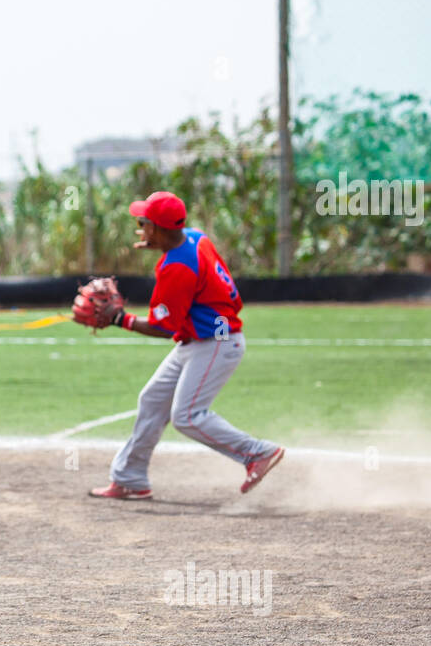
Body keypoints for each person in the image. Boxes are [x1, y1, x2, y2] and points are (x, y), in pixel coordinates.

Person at [88, 191, 284, 500]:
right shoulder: (195, 238)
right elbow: (186, 263)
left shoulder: (176, 268)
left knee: (188, 416)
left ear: (159, 229)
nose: (140, 227)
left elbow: (165, 327)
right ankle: (130, 478)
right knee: (153, 400)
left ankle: (255, 453)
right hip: (203, 338)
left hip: (216, 343)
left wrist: (117, 319)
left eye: (145, 223)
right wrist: (161, 242)